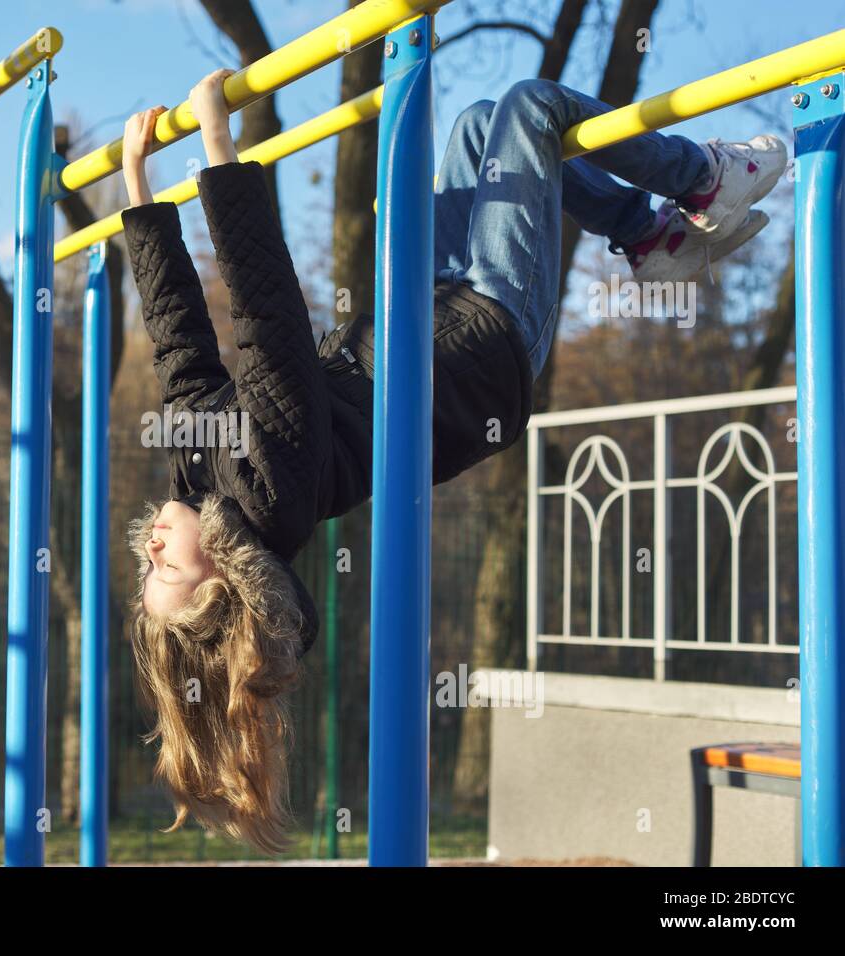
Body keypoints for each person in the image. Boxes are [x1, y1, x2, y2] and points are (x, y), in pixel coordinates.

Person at [120, 69, 784, 854]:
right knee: (532, 110)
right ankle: (702, 178)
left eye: (146, 570)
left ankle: (649, 237)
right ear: (227, 576)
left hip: (426, 308)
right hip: (486, 345)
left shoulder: (201, 475)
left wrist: (138, 190)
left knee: (476, 127)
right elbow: (268, 320)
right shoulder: (274, 489)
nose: (151, 548)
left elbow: (179, 345)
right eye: (167, 571)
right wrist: (219, 148)